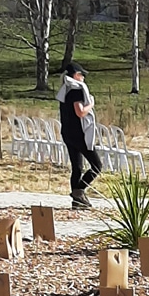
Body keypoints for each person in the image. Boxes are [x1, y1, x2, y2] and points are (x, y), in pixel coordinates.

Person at [57, 61, 102, 209]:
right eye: (81, 75)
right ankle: (79, 191)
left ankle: (77, 202)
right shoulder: (76, 91)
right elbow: (80, 112)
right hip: (79, 134)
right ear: (75, 75)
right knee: (96, 166)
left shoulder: (64, 91)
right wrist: (91, 104)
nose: (83, 78)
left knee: (77, 168)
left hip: (67, 132)